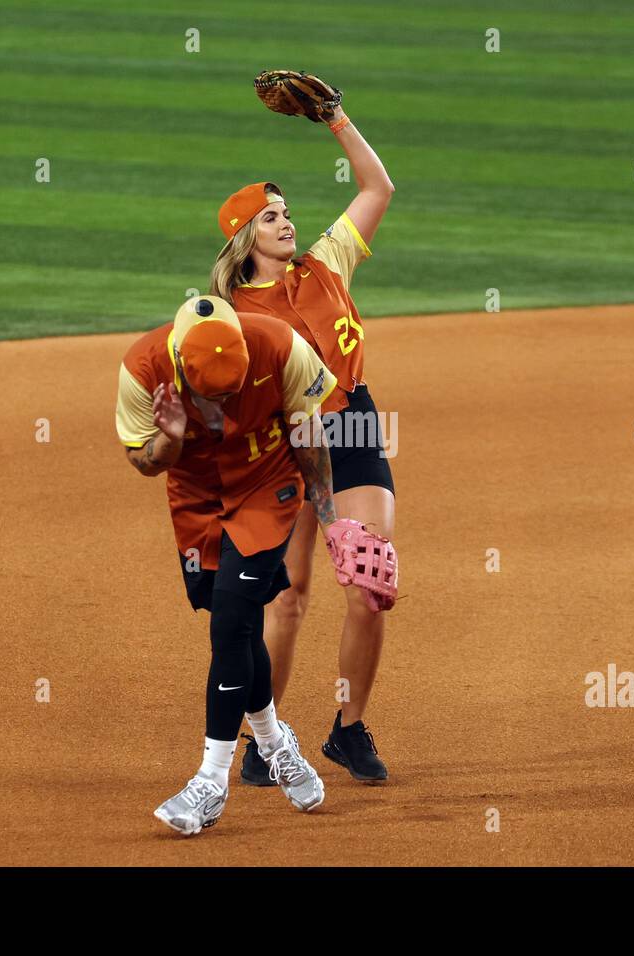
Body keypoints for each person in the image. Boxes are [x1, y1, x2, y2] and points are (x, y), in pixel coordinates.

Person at [209, 101, 397, 784]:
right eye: (270, 216)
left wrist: (338, 118)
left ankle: (349, 729)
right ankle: (264, 738)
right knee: (287, 597)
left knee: (370, 581)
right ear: (243, 239)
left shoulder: (327, 264)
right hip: (285, 448)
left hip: (352, 425)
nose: (286, 221)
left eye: (286, 211)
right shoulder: (231, 318)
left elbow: (379, 187)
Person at [117, 294, 343, 835]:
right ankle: (274, 741)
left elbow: (309, 434)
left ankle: (210, 783)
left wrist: (333, 522)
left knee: (230, 625)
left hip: (269, 488)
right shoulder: (141, 370)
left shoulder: (280, 346)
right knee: (238, 629)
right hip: (196, 501)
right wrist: (169, 440)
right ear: (180, 370)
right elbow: (143, 464)